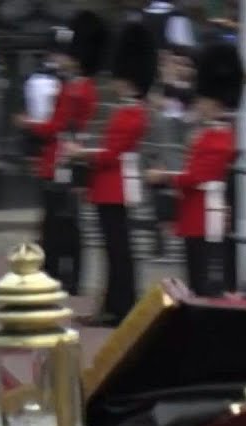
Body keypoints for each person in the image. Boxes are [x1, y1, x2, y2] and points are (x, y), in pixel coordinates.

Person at [66, 22, 154, 327]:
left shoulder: (132, 113)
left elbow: (110, 154)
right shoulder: (127, 110)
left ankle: (120, 306)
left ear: (128, 80)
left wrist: (80, 154)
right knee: (113, 248)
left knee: (118, 249)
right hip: (109, 185)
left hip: (116, 185)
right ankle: (114, 304)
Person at [18, 10, 105, 296]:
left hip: (61, 158)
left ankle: (57, 272)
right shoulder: (85, 87)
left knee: (58, 221)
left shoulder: (74, 90)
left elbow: (54, 127)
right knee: (67, 222)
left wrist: (28, 123)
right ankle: (70, 276)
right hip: (69, 155)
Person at [147, 41, 241, 297]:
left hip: (204, 212)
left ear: (215, 103)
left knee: (204, 277)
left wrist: (164, 176)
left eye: (204, 101)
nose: (200, 104)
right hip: (196, 209)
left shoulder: (218, 136)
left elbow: (196, 176)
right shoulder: (211, 133)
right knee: (196, 272)